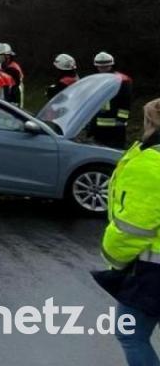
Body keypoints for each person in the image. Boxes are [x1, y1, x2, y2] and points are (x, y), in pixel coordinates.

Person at [95, 98, 160, 366]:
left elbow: (134, 227)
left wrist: (114, 260)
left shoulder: (150, 163)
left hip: (151, 270)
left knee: (130, 332)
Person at [94, 52, 134, 150]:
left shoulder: (122, 80)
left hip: (117, 125)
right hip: (100, 123)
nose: (102, 69)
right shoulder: (95, 80)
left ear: (111, 65)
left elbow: (126, 101)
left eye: (105, 67)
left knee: (116, 152)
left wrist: (121, 119)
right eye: (100, 67)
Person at [0, 42, 24, 108]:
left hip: (12, 95)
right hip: (9, 93)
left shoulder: (12, 67)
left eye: (4, 55)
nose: (3, 57)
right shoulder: (6, 65)